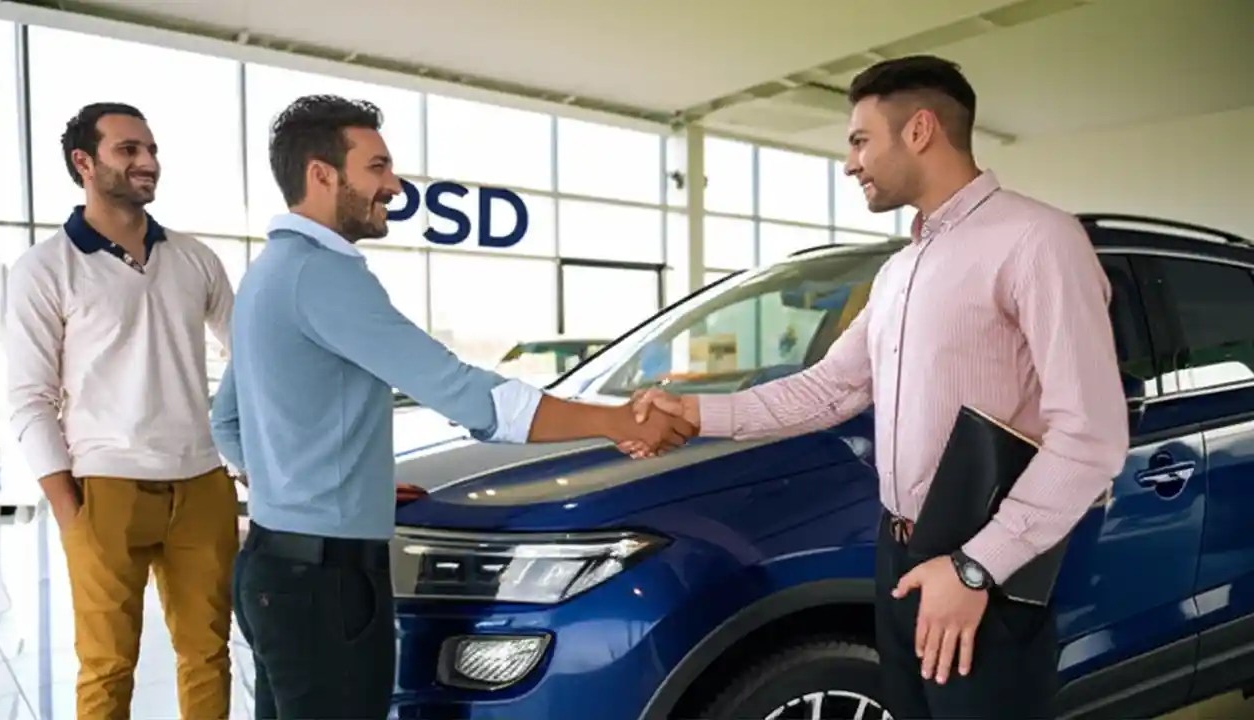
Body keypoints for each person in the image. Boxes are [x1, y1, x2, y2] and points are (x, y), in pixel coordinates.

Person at [624, 55, 1129, 719]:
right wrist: (692, 411)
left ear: (919, 130)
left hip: (983, 565)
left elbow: (1091, 435)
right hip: (899, 554)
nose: (850, 163)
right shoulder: (900, 270)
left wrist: (977, 567)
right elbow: (829, 390)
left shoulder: (1037, 241)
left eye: (861, 140)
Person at [208, 94, 693, 719]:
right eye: (376, 167)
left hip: (275, 569)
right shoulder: (325, 275)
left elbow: (228, 421)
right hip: (328, 584)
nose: (394, 184)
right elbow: (472, 398)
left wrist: (326, 487)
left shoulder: (266, 272)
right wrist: (617, 422)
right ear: (321, 175)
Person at [3, 103, 238, 720]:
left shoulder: (193, 258)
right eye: (129, 150)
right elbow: (28, 395)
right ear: (84, 162)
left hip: (201, 482)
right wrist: (66, 504)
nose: (148, 162)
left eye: (151, 149)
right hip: (104, 486)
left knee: (209, 655)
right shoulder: (44, 268)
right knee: (107, 667)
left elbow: (253, 359)